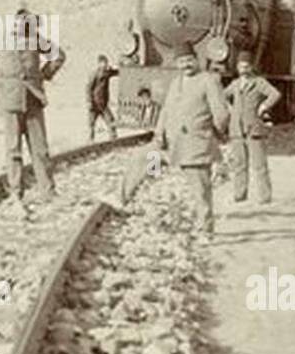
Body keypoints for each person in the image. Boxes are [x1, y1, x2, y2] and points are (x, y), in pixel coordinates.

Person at [109, 51, 228, 234]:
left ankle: (205, 229)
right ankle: (123, 199)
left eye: (189, 60)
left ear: (197, 60)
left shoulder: (208, 80)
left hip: (195, 143)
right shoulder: (176, 82)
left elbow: (221, 113)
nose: (186, 64)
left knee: (200, 190)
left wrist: (216, 137)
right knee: (144, 158)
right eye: (181, 61)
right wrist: (158, 134)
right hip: (169, 144)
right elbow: (165, 111)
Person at [0, 8, 66, 212]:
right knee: (13, 150)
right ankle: (15, 192)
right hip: (10, 99)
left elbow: (59, 56)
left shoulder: (36, 40)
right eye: (20, 22)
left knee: (40, 149)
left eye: (27, 23)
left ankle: (47, 190)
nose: (23, 26)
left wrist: (44, 75)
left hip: (33, 100)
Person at [224, 49, 281, 203]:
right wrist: (230, 108)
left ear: (251, 67)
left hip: (254, 128)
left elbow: (275, 94)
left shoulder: (259, 82)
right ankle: (240, 194)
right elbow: (222, 96)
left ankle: (265, 196)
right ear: (237, 68)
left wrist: (263, 106)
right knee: (239, 164)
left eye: (247, 66)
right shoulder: (235, 84)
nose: (244, 69)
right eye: (241, 66)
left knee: (259, 164)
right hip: (236, 129)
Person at [86, 54, 119, 141]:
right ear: (99, 63)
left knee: (110, 120)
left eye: (106, 63)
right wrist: (89, 101)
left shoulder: (107, 73)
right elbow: (88, 88)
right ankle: (90, 140)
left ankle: (113, 138)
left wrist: (116, 68)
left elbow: (116, 72)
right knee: (91, 123)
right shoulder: (94, 74)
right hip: (94, 102)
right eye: (103, 63)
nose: (105, 65)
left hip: (103, 102)